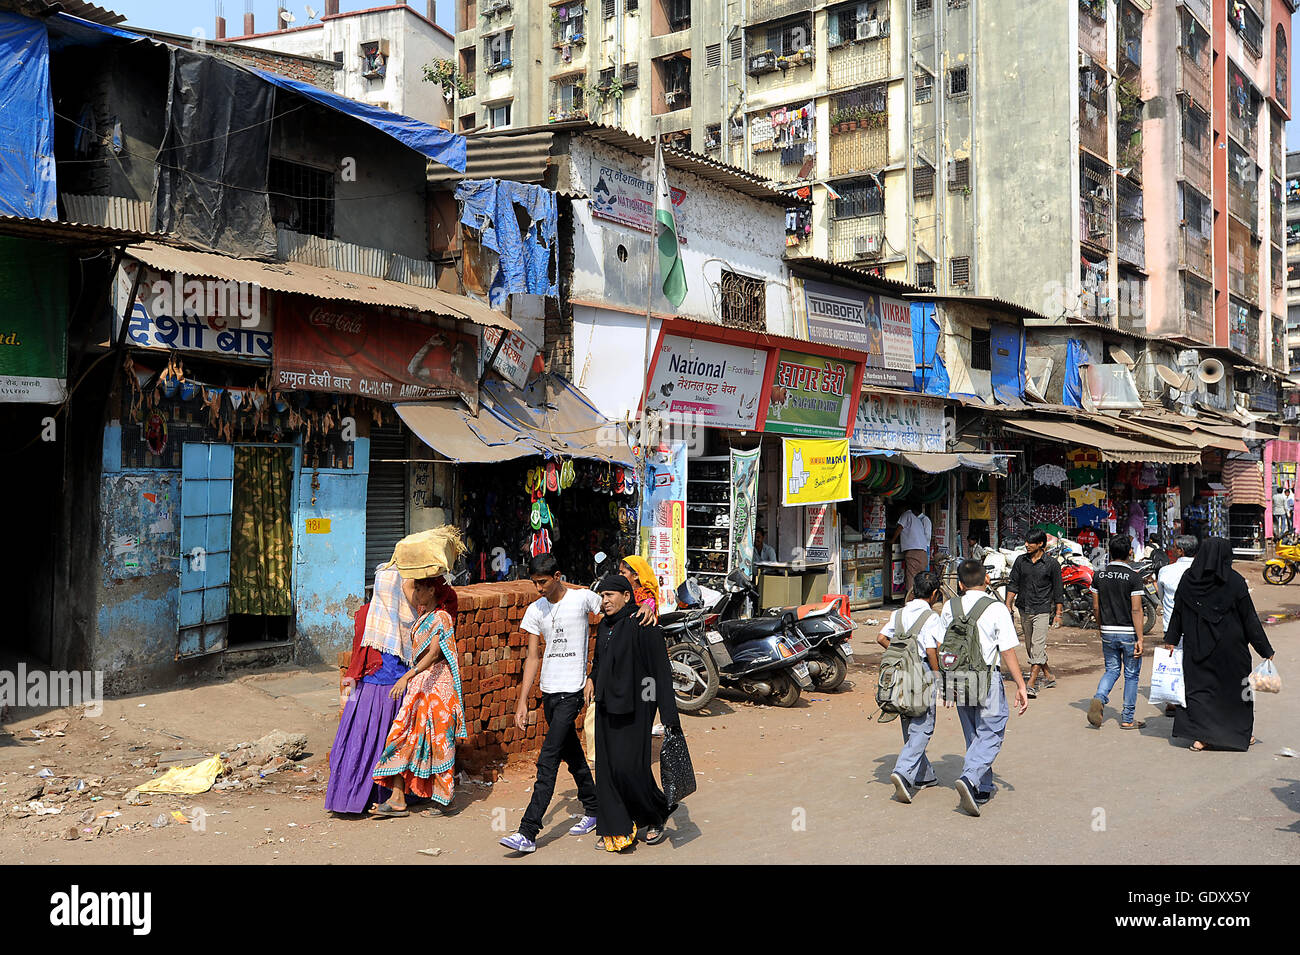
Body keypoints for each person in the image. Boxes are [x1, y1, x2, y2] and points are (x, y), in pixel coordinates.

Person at [500, 555, 655, 853]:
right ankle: (594, 807)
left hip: (573, 691)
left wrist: (645, 606)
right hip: (549, 692)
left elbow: (616, 609)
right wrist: (522, 701)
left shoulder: (582, 599)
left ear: (557, 576)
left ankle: (528, 831)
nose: (539, 588)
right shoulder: (535, 610)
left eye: (543, 582)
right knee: (572, 755)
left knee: (547, 760)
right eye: (534, 583)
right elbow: (532, 657)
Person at [371, 527, 468, 815]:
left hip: (438, 688)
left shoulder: (441, 617)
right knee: (402, 736)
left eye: (421, 587)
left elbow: (435, 653)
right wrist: (407, 554)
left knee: (438, 742)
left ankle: (443, 799)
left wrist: (406, 675)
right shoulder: (423, 614)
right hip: (420, 688)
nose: (416, 593)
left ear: (432, 590)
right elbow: (405, 585)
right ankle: (398, 798)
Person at [587, 574, 681, 852]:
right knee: (607, 769)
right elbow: (600, 659)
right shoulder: (605, 626)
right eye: (602, 596)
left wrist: (666, 715)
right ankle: (618, 827)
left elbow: (661, 671)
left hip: (638, 706)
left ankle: (656, 813)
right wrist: (592, 677)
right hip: (607, 704)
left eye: (610, 595)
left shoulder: (644, 624)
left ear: (627, 596)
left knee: (631, 768)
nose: (604, 601)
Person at [1164, 538, 1276, 752]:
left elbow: (1178, 610)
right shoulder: (1234, 581)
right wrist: (1265, 649)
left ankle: (1201, 738)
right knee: (1234, 693)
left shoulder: (1189, 579)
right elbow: (1249, 618)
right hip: (1231, 650)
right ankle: (1240, 733)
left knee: (1200, 691)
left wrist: (1171, 638)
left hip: (1197, 646)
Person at [324, 556, 415, 815]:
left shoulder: (368, 613)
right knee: (393, 740)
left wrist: (348, 696)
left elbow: (356, 659)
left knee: (365, 739)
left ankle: (356, 796)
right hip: (390, 687)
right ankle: (392, 794)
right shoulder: (410, 616)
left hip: (369, 689)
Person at [938, 559, 1030, 817]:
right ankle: (969, 779)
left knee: (973, 733)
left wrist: (945, 683)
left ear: (959, 583)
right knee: (992, 730)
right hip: (986, 678)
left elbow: (944, 646)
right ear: (987, 579)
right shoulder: (996, 608)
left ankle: (982, 786)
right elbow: (1007, 650)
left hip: (958, 676)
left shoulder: (949, 607)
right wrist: (1021, 685)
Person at [876, 570, 945, 804]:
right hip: (921, 673)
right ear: (935, 594)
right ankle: (903, 772)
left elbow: (881, 638)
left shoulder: (899, 613)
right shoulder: (931, 618)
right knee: (924, 725)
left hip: (898, 674)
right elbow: (931, 649)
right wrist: (937, 676)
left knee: (908, 719)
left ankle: (924, 776)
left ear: (913, 590)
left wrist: (900, 654)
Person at [1087, 534, 1145, 731]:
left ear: (1110, 552)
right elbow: (1136, 610)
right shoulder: (1134, 577)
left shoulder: (1099, 575)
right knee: (1131, 675)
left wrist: (1100, 626)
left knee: (1111, 670)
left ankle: (1099, 697)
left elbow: (1095, 607)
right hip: (1128, 632)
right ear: (1130, 552)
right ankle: (1128, 718)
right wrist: (1140, 638)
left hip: (1108, 630)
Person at [1005, 527, 1063, 699]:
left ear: (1041, 544)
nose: (1026, 545)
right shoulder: (1020, 561)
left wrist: (1058, 613)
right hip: (1024, 608)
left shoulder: (1052, 564)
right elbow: (1013, 583)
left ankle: (1031, 684)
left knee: (1037, 646)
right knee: (1032, 648)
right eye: (1026, 541)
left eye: (1030, 542)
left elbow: (1058, 590)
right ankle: (1049, 676)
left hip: (1043, 610)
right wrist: (1008, 603)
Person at [890, 502, 932, 598]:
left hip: (914, 552)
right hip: (922, 552)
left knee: (911, 577)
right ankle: (922, 598)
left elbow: (900, 527)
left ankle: (910, 600)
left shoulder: (906, 515)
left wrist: (892, 540)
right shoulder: (916, 519)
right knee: (920, 578)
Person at [619, 554, 660, 622]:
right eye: (619, 572)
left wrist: (645, 607)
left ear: (635, 576)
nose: (619, 575)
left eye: (623, 573)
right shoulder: (621, 592)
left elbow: (646, 609)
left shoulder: (647, 597)